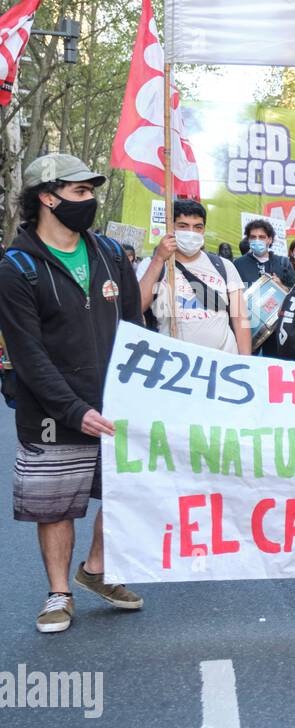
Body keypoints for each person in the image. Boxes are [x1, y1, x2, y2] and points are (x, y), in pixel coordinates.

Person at [0, 153, 146, 634]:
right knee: (57, 505)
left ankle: (97, 569)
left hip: (115, 401)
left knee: (124, 492)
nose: (90, 200)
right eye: (80, 192)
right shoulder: (16, 267)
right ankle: (59, 592)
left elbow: (132, 327)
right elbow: (29, 354)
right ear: (47, 197)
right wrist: (73, 409)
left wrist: (145, 388)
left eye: (90, 192)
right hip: (53, 411)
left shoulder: (110, 253)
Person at [138, 199, 251, 355]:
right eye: (183, 226)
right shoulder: (151, 265)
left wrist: (245, 364)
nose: (191, 233)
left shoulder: (224, 266)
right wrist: (159, 259)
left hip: (223, 363)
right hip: (174, 364)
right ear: (170, 228)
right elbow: (137, 306)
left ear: (203, 230)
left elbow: (240, 320)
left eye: (197, 227)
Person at [233, 218, 295, 289]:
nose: (257, 240)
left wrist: (281, 287)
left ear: (270, 239)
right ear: (248, 240)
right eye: (253, 237)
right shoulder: (238, 264)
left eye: (261, 237)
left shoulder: (284, 263)